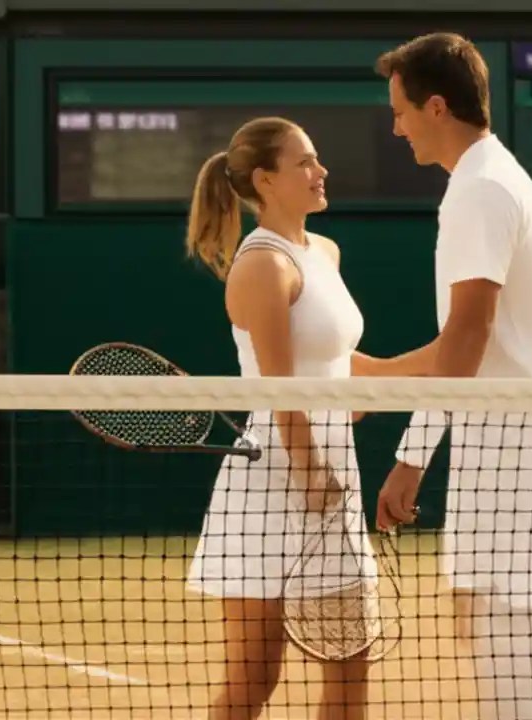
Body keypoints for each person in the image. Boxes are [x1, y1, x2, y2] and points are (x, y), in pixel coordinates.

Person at [371, 32, 532, 720]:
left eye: (402, 110)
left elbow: (469, 334)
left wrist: (410, 459)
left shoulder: (480, 190)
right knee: (484, 605)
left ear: (437, 107)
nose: (396, 125)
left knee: (515, 614)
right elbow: (469, 340)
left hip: (523, 434)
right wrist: (379, 377)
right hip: (514, 427)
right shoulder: (487, 179)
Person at [183, 116, 381, 720]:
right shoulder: (261, 266)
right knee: (253, 681)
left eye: (316, 160)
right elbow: (281, 385)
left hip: (330, 478)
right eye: (304, 163)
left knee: (350, 672)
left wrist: (437, 363)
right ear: (266, 180)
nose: (320, 171)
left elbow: (337, 366)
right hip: (276, 483)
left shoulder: (324, 252)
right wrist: (310, 468)